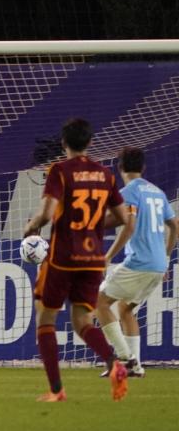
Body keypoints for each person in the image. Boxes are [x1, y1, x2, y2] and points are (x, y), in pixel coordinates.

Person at [23, 118, 132, 402]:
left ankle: (56, 390)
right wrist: (93, 225)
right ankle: (114, 363)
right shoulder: (105, 174)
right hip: (93, 258)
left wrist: (30, 227)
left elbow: (46, 214)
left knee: (45, 319)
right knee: (83, 321)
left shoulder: (59, 170)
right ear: (90, 143)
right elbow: (122, 218)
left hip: (63, 258)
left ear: (63, 143)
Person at [95, 147, 178, 378]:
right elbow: (175, 226)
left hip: (140, 262)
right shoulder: (158, 193)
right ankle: (136, 366)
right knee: (125, 309)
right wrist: (167, 257)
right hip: (158, 264)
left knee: (99, 302)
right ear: (143, 168)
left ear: (119, 167)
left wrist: (108, 255)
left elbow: (129, 225)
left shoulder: (129, 192)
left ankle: (124, 358)